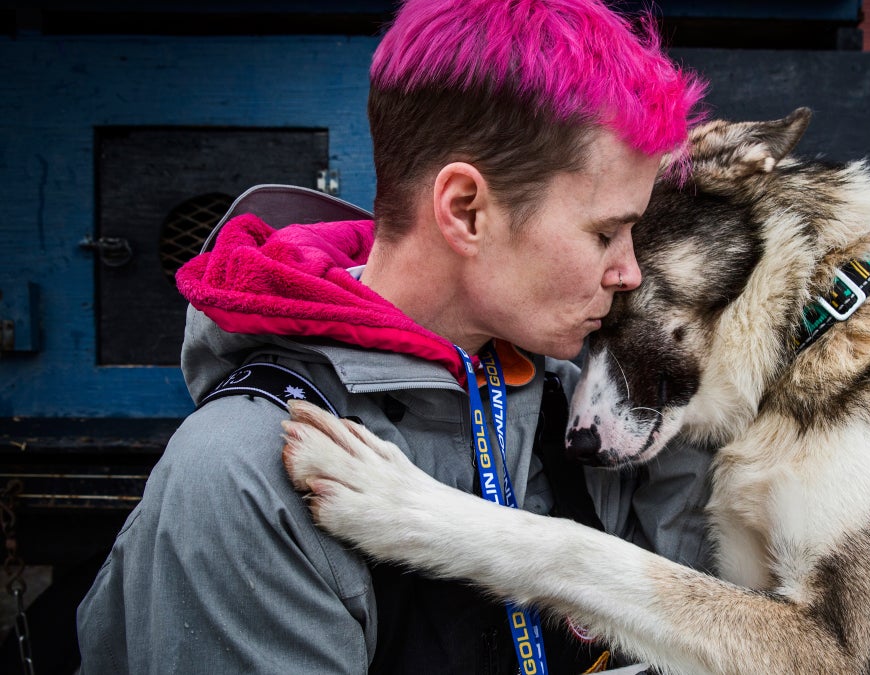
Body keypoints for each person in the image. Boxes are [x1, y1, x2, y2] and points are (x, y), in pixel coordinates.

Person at [76, 0, 709, 672]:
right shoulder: (243, 477)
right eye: (605, 233)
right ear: (466, 210)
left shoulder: (566, 400)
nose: (630, 272)